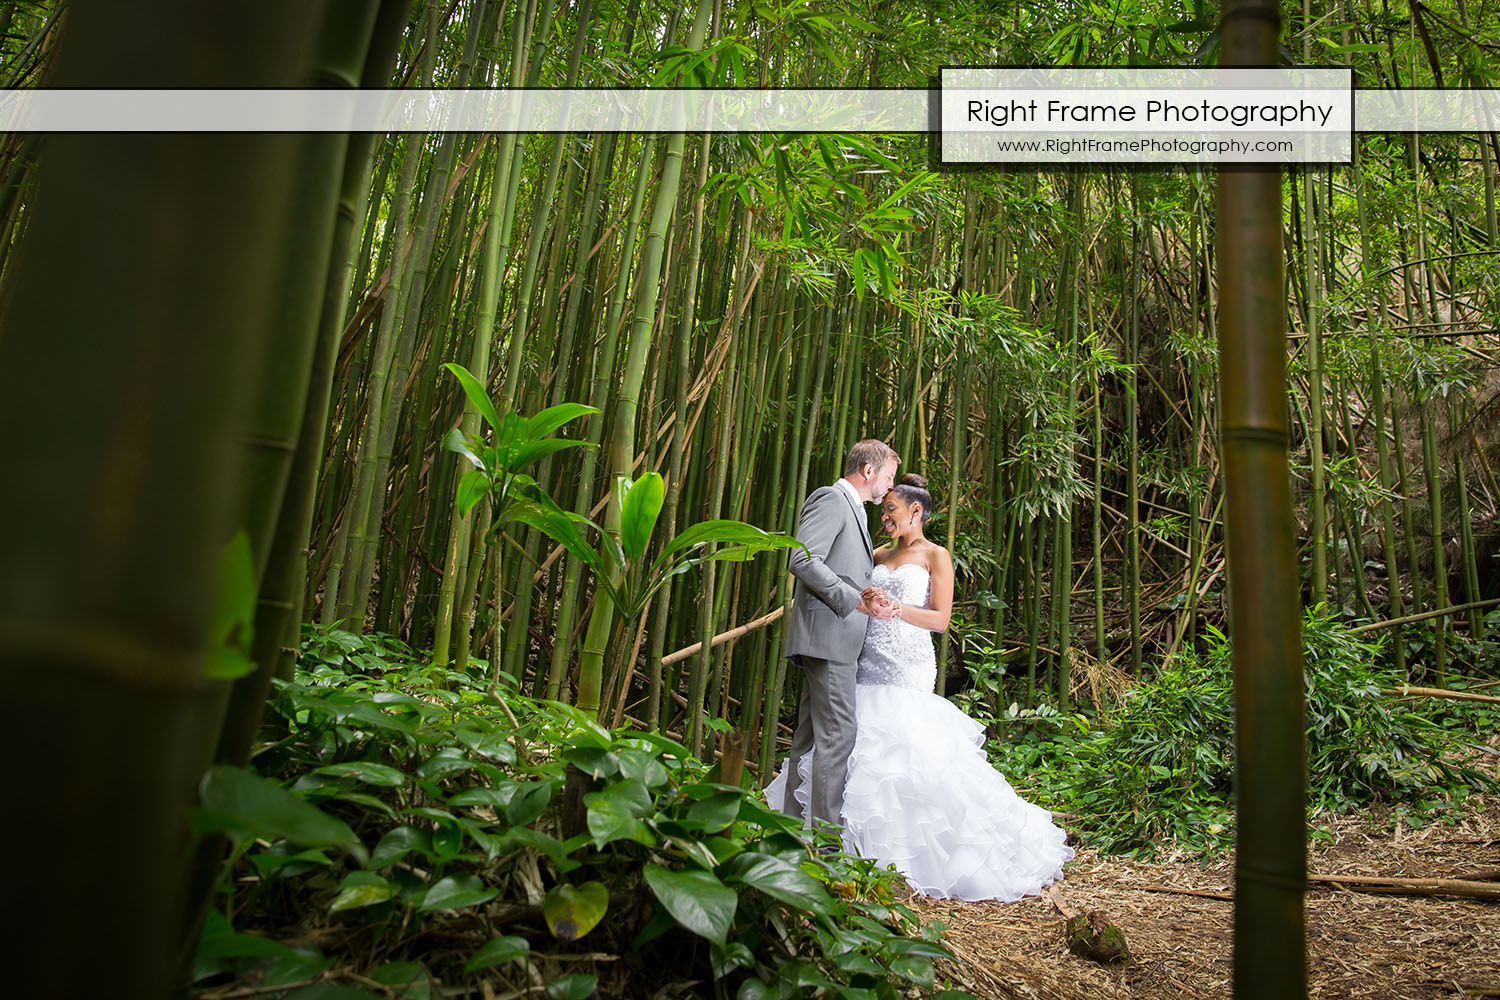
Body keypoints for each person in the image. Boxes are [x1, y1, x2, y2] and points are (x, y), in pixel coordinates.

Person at [767, 473, 1074, 902]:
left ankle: (915, 855)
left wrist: (898, 610)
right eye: (884, 508)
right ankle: (848, 846)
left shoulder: (936, 555)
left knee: (906, 752)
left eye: (890, 509)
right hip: (863, 655)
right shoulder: (876, 552)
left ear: (915, 511)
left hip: (907, 661)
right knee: (850, 745)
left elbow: (940, 619)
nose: (884, 517)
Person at [780, 439, 901, 830]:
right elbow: (800, 557)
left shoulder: (855, 510)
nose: (888, 486)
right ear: (869, 471)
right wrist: (853, 600)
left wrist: (863, 596)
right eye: (888, 476)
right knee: (838, 739)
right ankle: (827, 848)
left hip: (833, 639)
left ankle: (794, 835)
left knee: (810, 739)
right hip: (829, 637)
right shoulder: (832, 499)